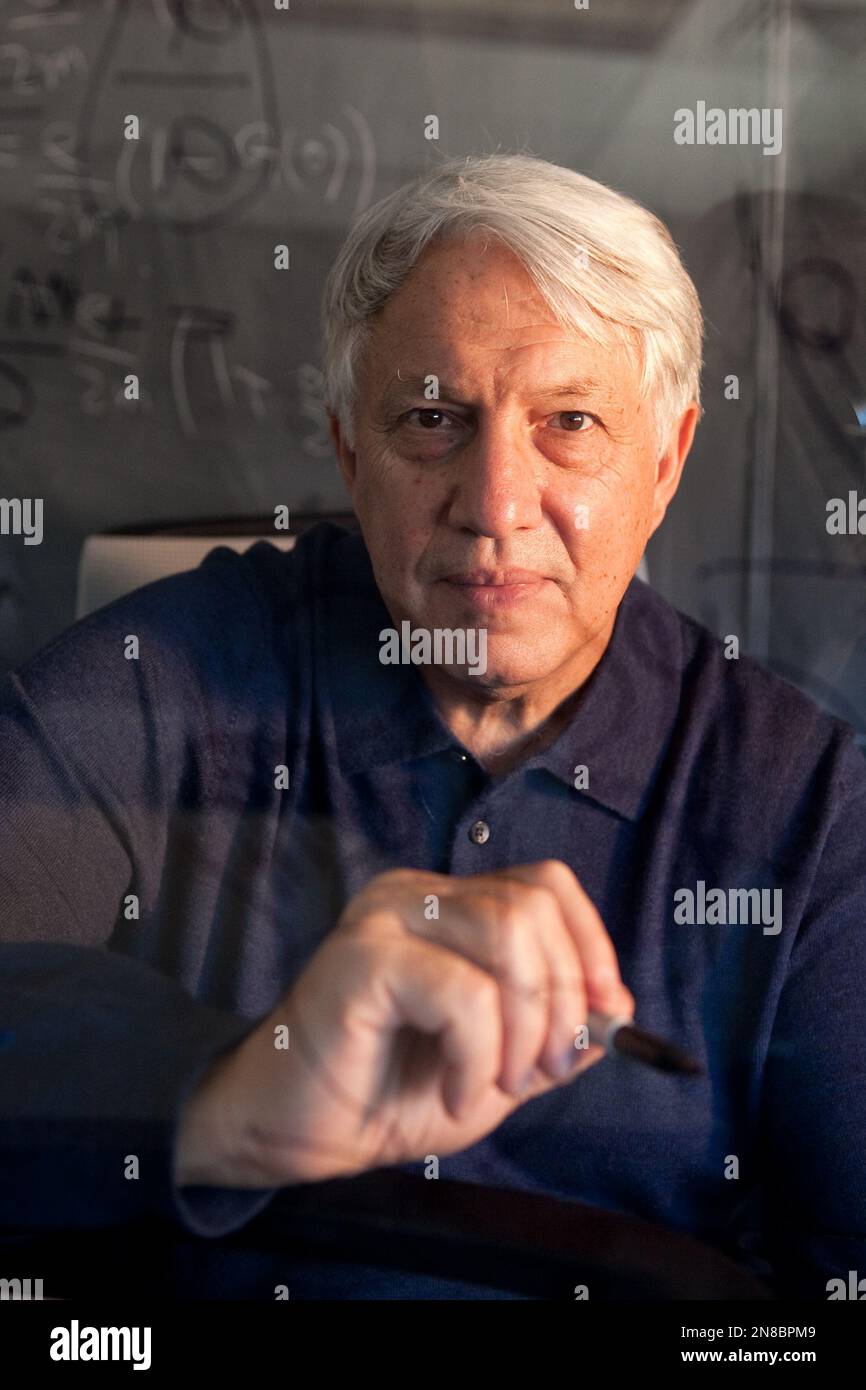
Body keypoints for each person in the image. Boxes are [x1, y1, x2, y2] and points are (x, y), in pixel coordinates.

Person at [1, 153, 864, 1300]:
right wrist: (232, 1093)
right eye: (429, 417)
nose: (494, 502)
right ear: (349, 452)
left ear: (664, 462)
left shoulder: (806, 804)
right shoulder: (163, 677)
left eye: (567, 422)